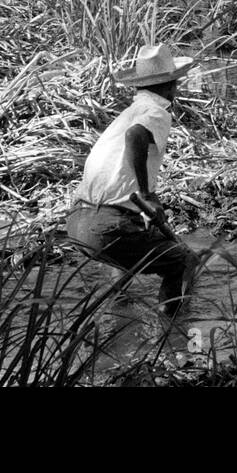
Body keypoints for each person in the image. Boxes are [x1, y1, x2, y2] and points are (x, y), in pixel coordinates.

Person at [67, 44, 201, 320]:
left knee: (126, 261)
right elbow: (136, 137)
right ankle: (176, 339)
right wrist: (146, 194)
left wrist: (141, 203)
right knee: (183, 261)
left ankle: (114, 327)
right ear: (171, 86)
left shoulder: (127, 113)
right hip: (107, 226)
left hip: (78, 223)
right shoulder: (156, 112)